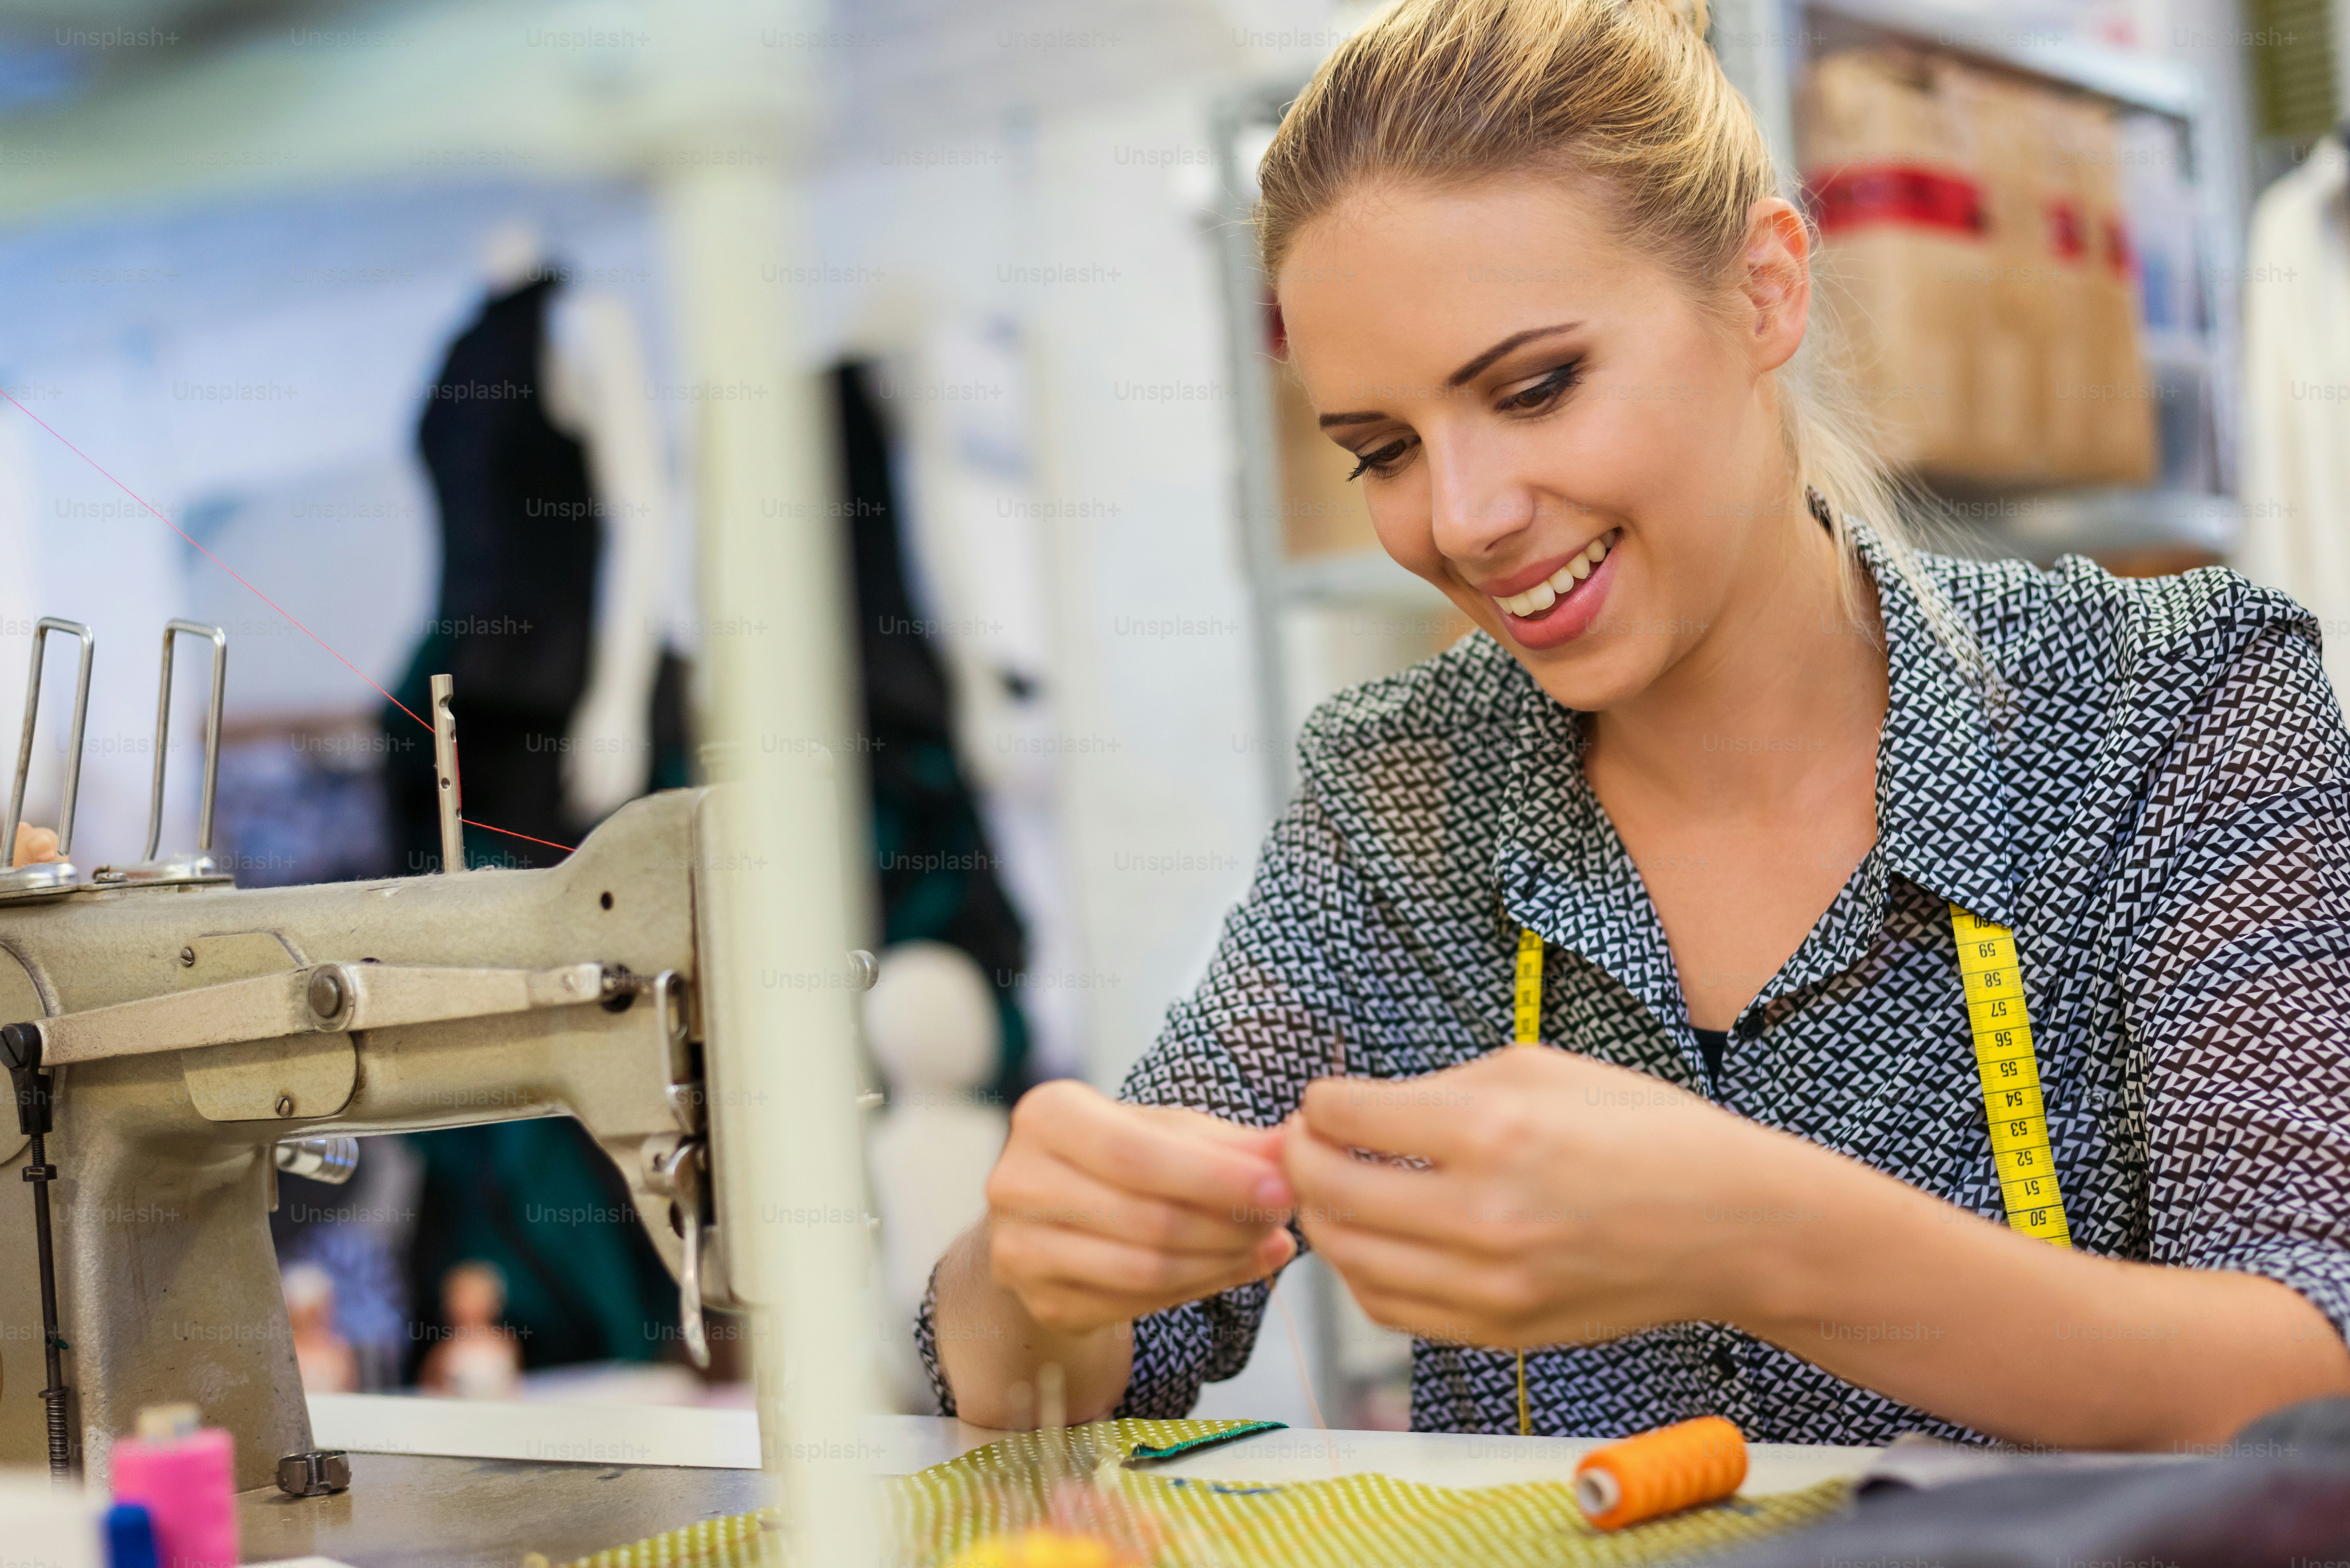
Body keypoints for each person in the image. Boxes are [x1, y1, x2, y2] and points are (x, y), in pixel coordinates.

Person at [923, 0, 2350, 1448]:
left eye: (1537, 388)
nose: (1465, 520)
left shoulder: (2177, 710)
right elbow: (1041, 1372)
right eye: (1386, 452)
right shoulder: (1399, 803)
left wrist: (1756, 1236)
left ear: (1763, 291)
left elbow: (2315, 1369)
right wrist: (1039, 1275)